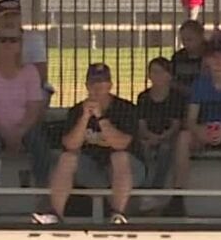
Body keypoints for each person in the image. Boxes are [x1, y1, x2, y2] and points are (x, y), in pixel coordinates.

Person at [33, 63, 142, 226]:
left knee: (119, 157)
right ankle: (55, 214)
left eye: (103, 82)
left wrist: (101, 118)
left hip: (128, 170)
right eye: (93, 82)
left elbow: (121, 144)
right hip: (93, 169)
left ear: (110, 85)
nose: (98, 87)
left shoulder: (125, 109)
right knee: (67, 158)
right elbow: (70, 145)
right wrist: (84, 118)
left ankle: (118, 214)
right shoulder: (77, 110)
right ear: (87, 85)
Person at [0, 22, 52, 189]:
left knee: (39, 141)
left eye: (13, 40)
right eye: (2, 40)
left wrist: (19, 131)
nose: (8, 44)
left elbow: (33, 108)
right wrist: (6, 134)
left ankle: (43, 192)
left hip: (24, 127)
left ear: (20, 44)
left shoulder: (30, 72)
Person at [172, 33, 221, 209]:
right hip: (205, 133)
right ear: (207, 61)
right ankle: (178, 196)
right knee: (184, 138)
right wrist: (200, 130)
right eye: (213, 58)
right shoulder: (200, 84)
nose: (218, 62)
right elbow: (190, 120)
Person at [0, 0, 51, 97]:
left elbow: (41, 74)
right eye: (6, 16)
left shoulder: (34, 40)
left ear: (20, 17)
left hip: (29, 88)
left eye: (14, 16)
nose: (10, 20)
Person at [136, 57, 184, 203]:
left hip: (168, 137)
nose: (156, 75)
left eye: (160, 72)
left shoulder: (176, 97)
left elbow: (176, 125)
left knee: (165, 149)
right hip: (147, 137)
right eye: (153, 72)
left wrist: (162, 137)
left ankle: (155, 189)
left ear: (169, 75)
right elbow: (141, 124)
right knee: (143, 148)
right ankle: (142, 187)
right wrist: (149, 136)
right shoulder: (143, 97)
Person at [170, 19, 206, 98]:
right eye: (183, 40)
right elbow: (171, 80)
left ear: (201, 36)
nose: (186, 43)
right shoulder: (178, 57)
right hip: (181, 101)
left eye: (190, 39)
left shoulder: (210, 55)